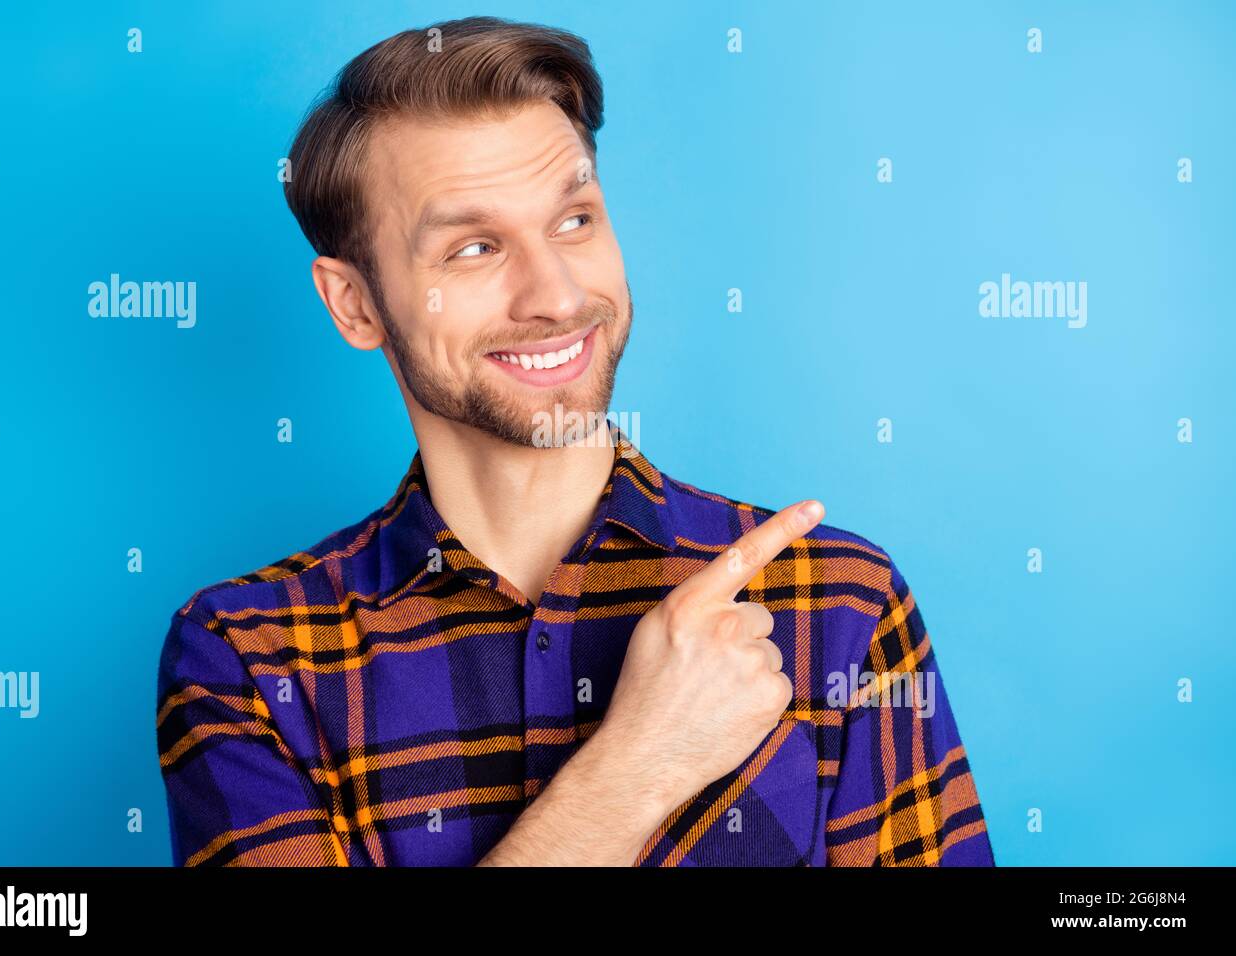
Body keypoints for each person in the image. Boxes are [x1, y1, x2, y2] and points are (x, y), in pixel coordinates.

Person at [155, 15, 994, 866]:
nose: (555, 295)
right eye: (475, 247)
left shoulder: (836, 603)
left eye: (574, 221)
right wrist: (637, 765)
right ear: (355, 305)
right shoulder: (248, 661)